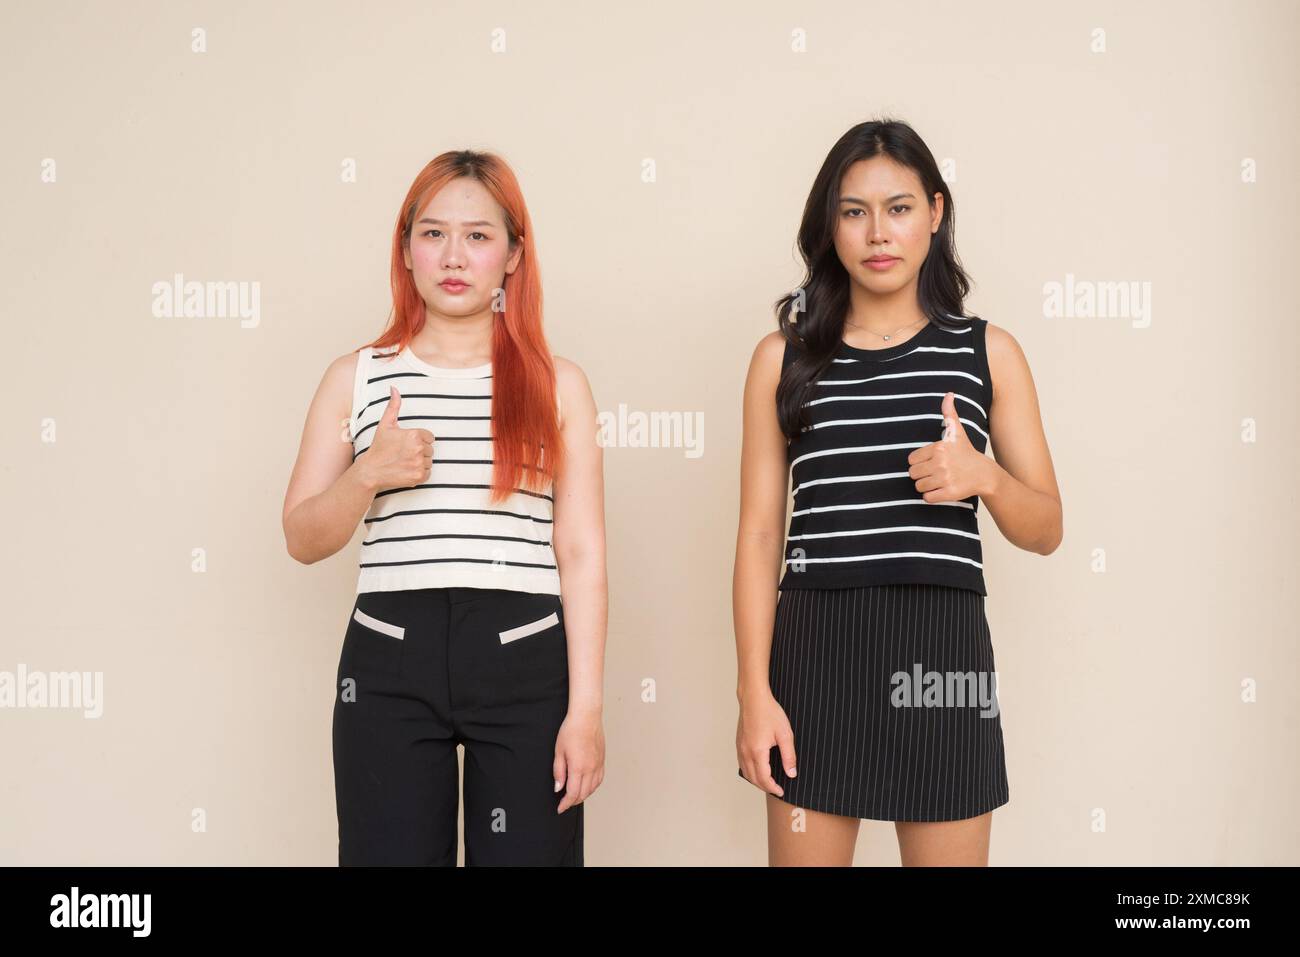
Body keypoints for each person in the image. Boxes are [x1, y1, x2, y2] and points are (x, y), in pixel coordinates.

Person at [733, 118, 1062, 866]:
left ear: (936, 213)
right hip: (815, 651)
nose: (878, 232)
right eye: (854, 212)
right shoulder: (781, 359)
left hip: (943, 654)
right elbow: (759, 536)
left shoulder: (989, 352)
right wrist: (754, 692)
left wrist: (985, 476)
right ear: (830, 225)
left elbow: (1047, 526)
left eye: (900, 207)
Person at [282, 150, 607, 866]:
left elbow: (580, 553)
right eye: (432, 233)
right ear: (405, 248)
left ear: (514, 254)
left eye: (479, 235)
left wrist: (584, 711)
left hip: (525, 655)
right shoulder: (356, 377)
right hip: (389, 652)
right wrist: (366, 474)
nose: (453, 256)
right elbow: (302, 536)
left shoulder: (561, 386)